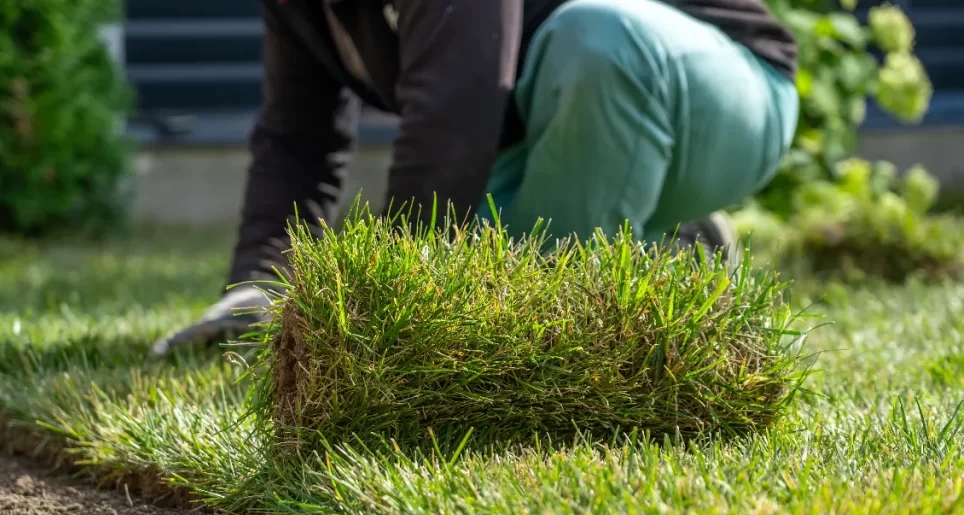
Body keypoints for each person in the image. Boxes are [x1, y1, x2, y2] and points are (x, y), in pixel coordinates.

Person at [150, 0, 799, 357]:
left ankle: (563, 334)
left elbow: (453, 109)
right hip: (550, 142)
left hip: (719, 88)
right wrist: (258, 288)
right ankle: (675, 250)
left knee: (598, 39)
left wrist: (387, 318)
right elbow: (297, 136)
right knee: (473, 275)